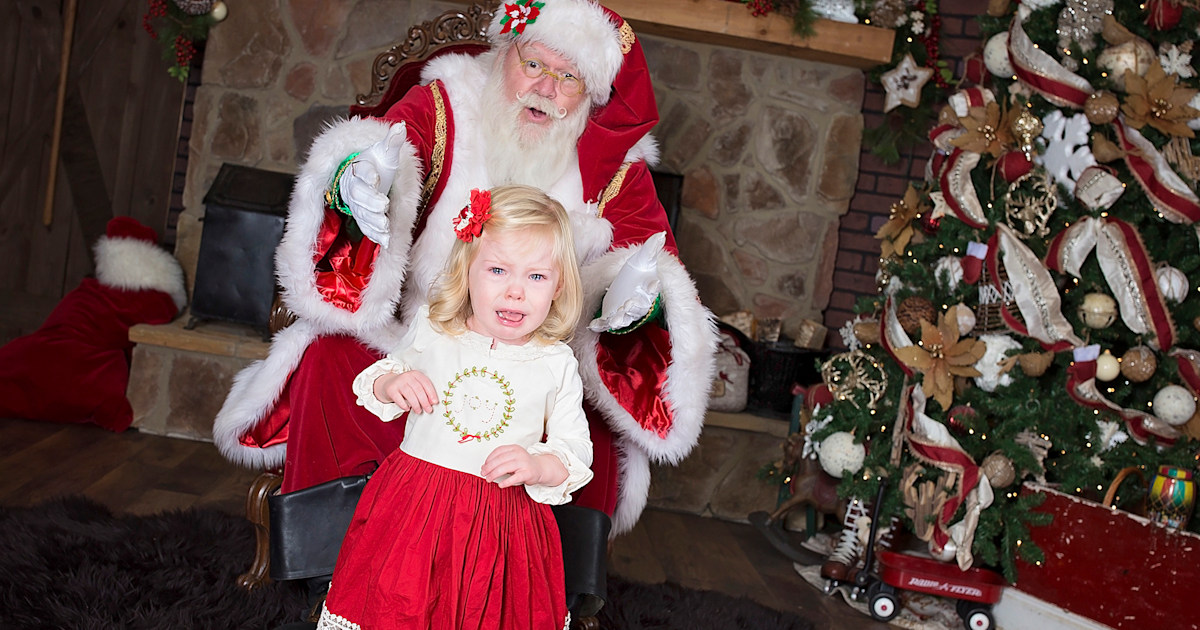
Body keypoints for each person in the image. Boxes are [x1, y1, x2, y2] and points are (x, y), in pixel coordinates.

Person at [213, 0, 717, 541]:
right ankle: (330, 559)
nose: (545, 89)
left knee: (584, 427)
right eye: (535, 65)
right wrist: (364, 183)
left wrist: (630, 303)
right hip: (419, 339)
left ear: (590, 94)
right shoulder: (445, 103)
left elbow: (654, 266)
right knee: (330, 359)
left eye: (569, 77)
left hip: (535, 363)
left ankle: (528, 581)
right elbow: (386, 147)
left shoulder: (614, 167)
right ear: (505, 52)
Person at [316, 186, 590, 630]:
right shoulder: (436, 330)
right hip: (415, 508)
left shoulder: (555, 363)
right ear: (467, 272)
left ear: (559, 287)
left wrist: (538, 465)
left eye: (536, 277)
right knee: (398, 602)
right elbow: (376, 381)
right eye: (498, 270)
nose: (516, 292)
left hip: (501, 522)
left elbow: (575, 448)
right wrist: (393, 383)